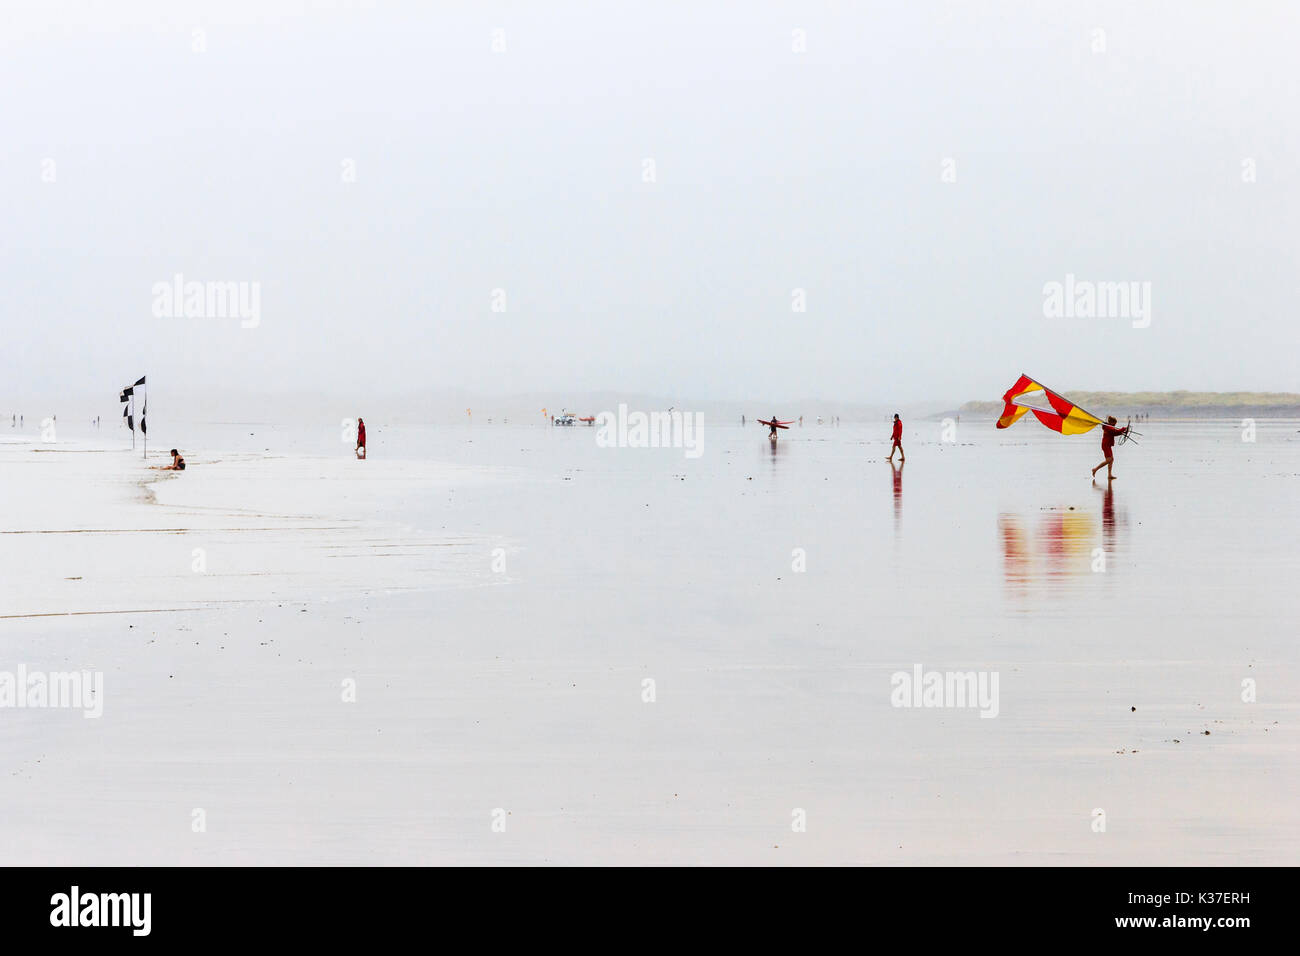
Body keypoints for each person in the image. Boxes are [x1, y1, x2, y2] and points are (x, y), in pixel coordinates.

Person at [1091, 416, 1128, 481]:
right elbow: (1115, 431)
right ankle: (1095, 469)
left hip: (1107, 445)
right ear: (1111, 422)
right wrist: (1124, 428)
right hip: (1106, 445)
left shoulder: (1109, 427)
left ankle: (1109, 475)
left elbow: (1114, 433)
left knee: (1111, 459)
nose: (1115, 425)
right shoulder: (1108, 427)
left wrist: (1122, 433)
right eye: (1114, 424)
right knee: (1109, 460)